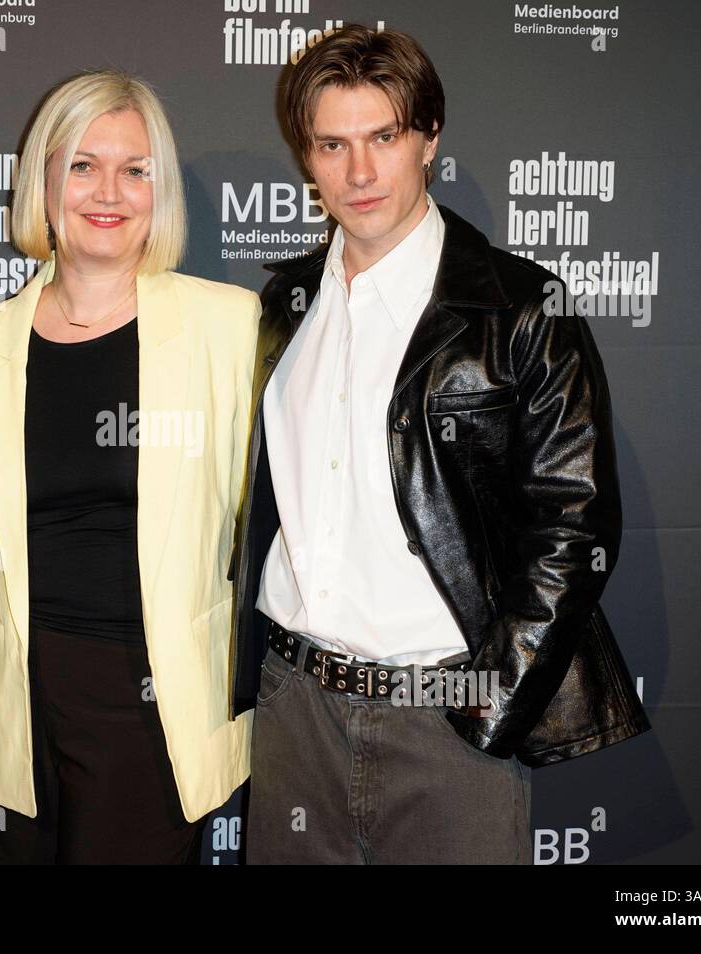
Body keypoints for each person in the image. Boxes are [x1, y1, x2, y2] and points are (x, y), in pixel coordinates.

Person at [229, 26, 650, 864]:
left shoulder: (523, 307)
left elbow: (575, 524)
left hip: (449, 719)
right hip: (293, 711)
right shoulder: (286, 303)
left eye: (383, 137)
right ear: (305, 157)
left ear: (429, 139)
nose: (359, 173)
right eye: (332, 144)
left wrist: (493, 699)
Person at [0, 70, 259, 864]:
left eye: (135, 168)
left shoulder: (229, 328)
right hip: (17, 710)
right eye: (82, 164)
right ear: (43, 182)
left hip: (154, 712)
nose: (107, 191)